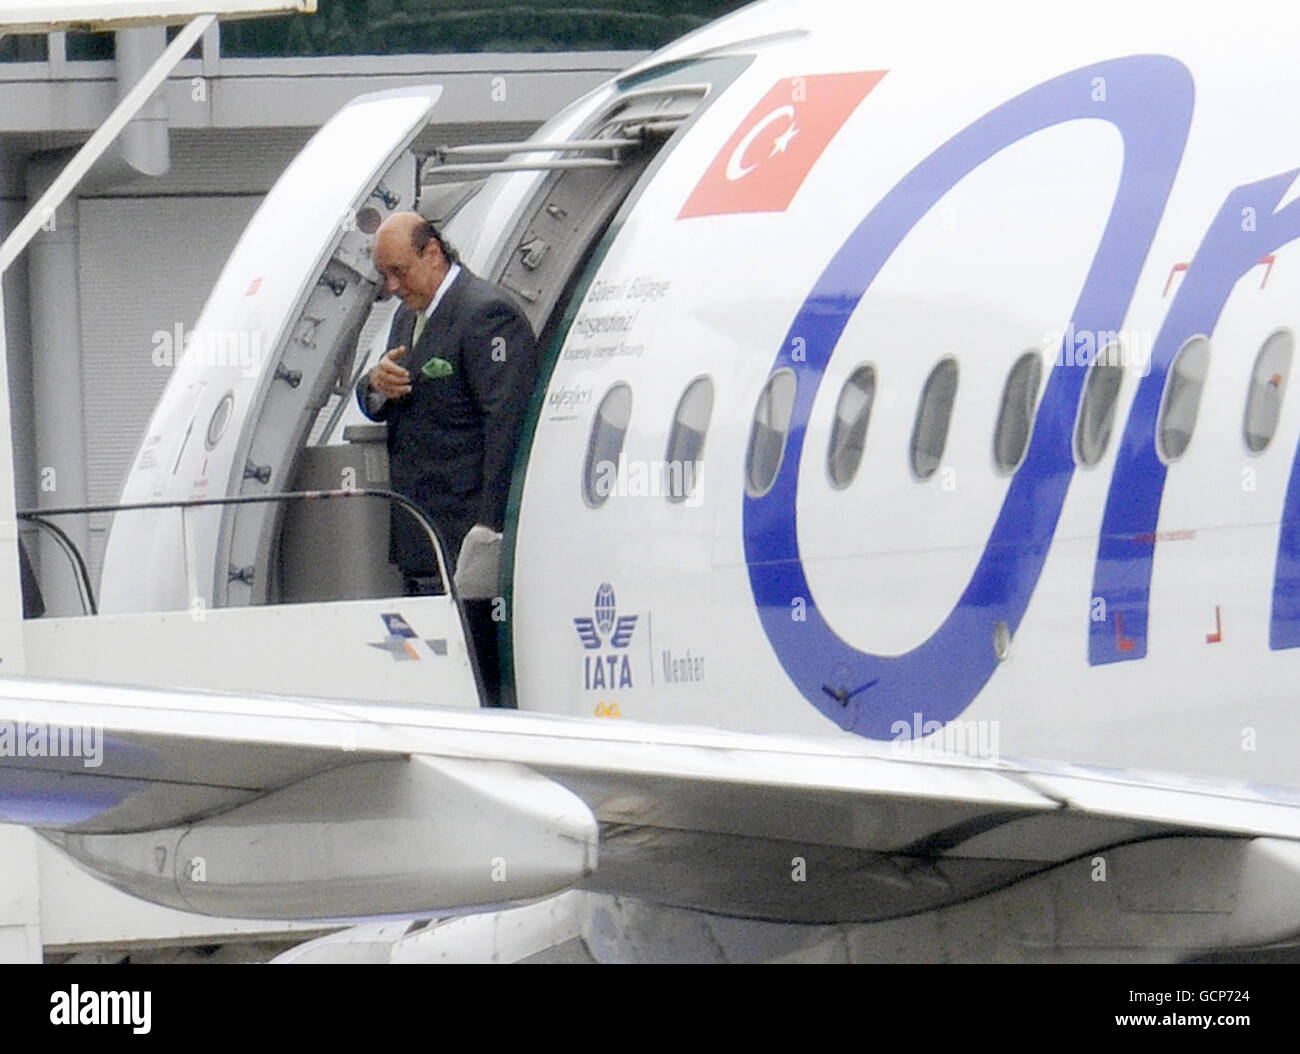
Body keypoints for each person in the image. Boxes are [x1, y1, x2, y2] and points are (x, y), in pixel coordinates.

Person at [357, 211, 539, 704]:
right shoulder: (408, 315)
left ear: (432, 253)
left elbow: (507, 427)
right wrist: (375, 386)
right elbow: (370, 389)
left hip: (465, 541)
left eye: (399, 271)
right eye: (384, 276)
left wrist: (488, 533)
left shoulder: (486, 313)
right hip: (420, 539)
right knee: (430, 683)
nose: (392, 286)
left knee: (477, 680)